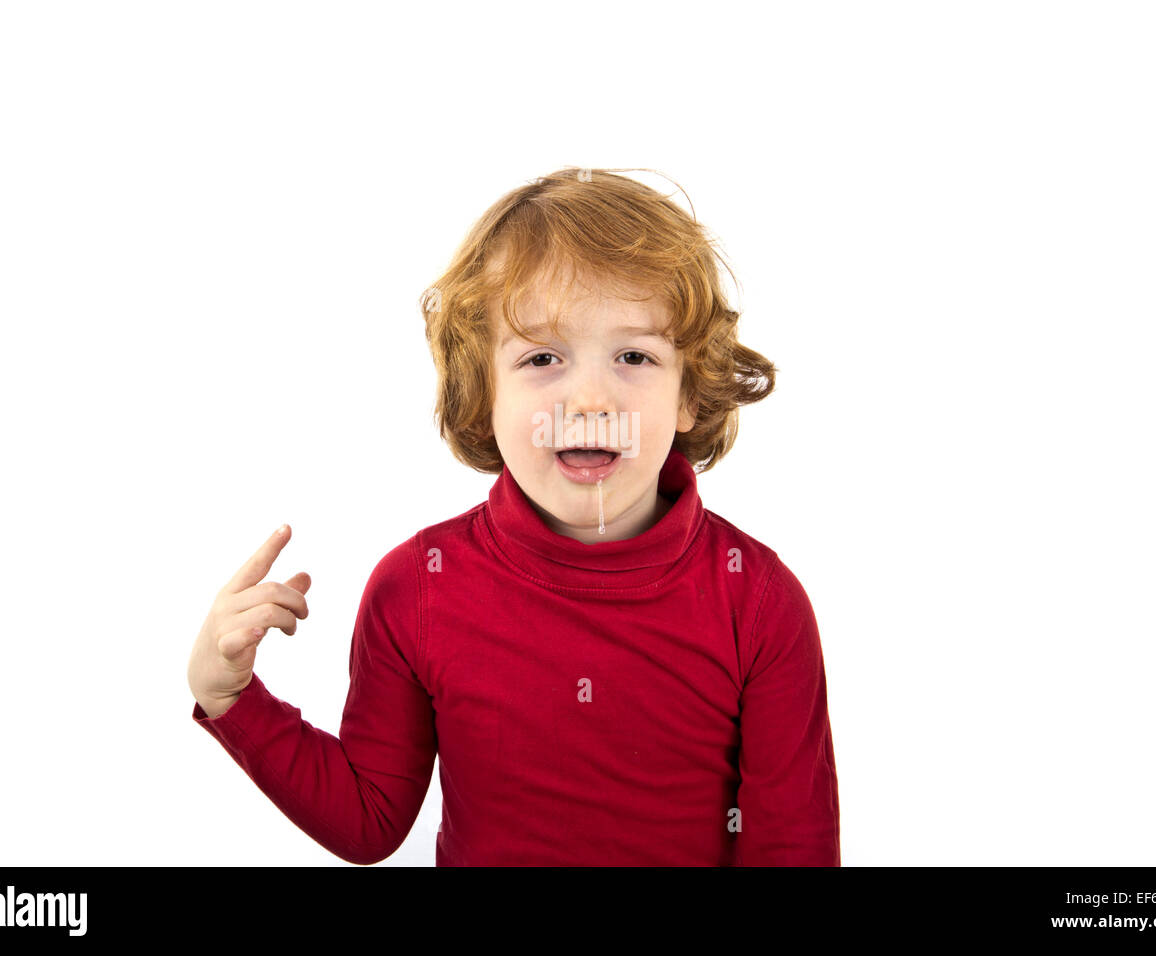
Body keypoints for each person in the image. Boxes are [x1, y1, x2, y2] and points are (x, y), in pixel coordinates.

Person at [185, 167, 840, 865]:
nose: (590, 400)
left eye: (633, 356)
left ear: (687, 392)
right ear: (484, 396)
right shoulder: (417, 590)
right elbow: (367, 819)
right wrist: (231, 698)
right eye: (543, 357)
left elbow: (790, 848)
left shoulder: (760, 601)